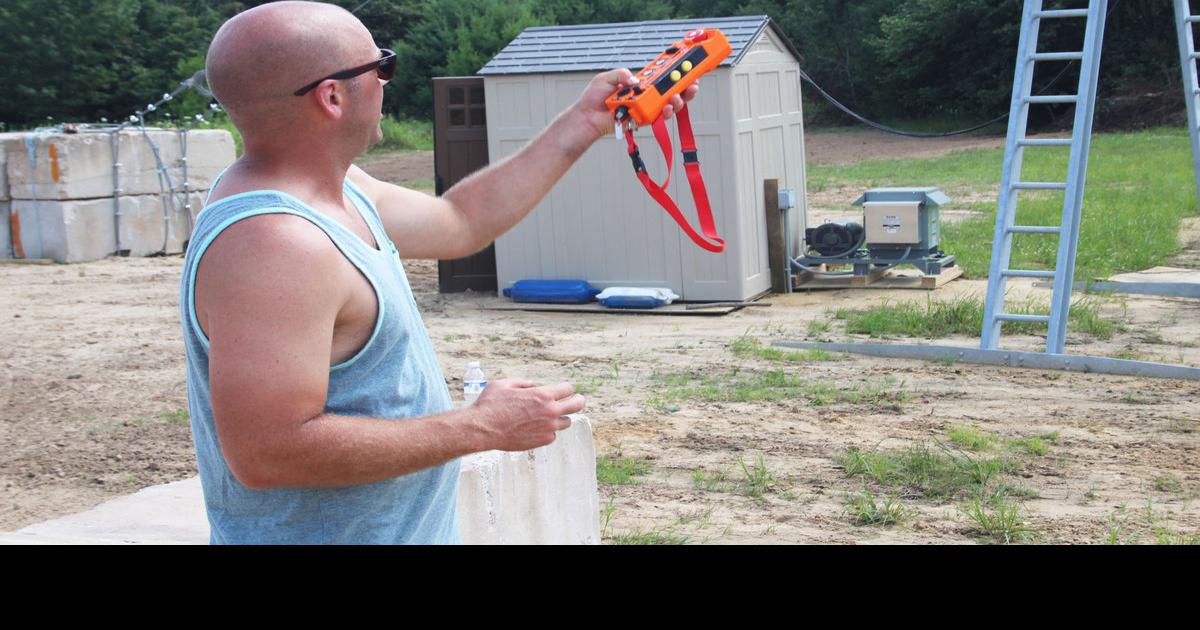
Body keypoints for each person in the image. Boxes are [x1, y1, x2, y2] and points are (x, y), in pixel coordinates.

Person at [179, 0, 697, 544]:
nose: (387, 81)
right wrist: (481, 425)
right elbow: (268, 453)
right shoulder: (275, 244)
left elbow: (460, 222)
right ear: (332, 96)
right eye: (382, 66)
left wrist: (584, 123)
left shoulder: (336, 188)